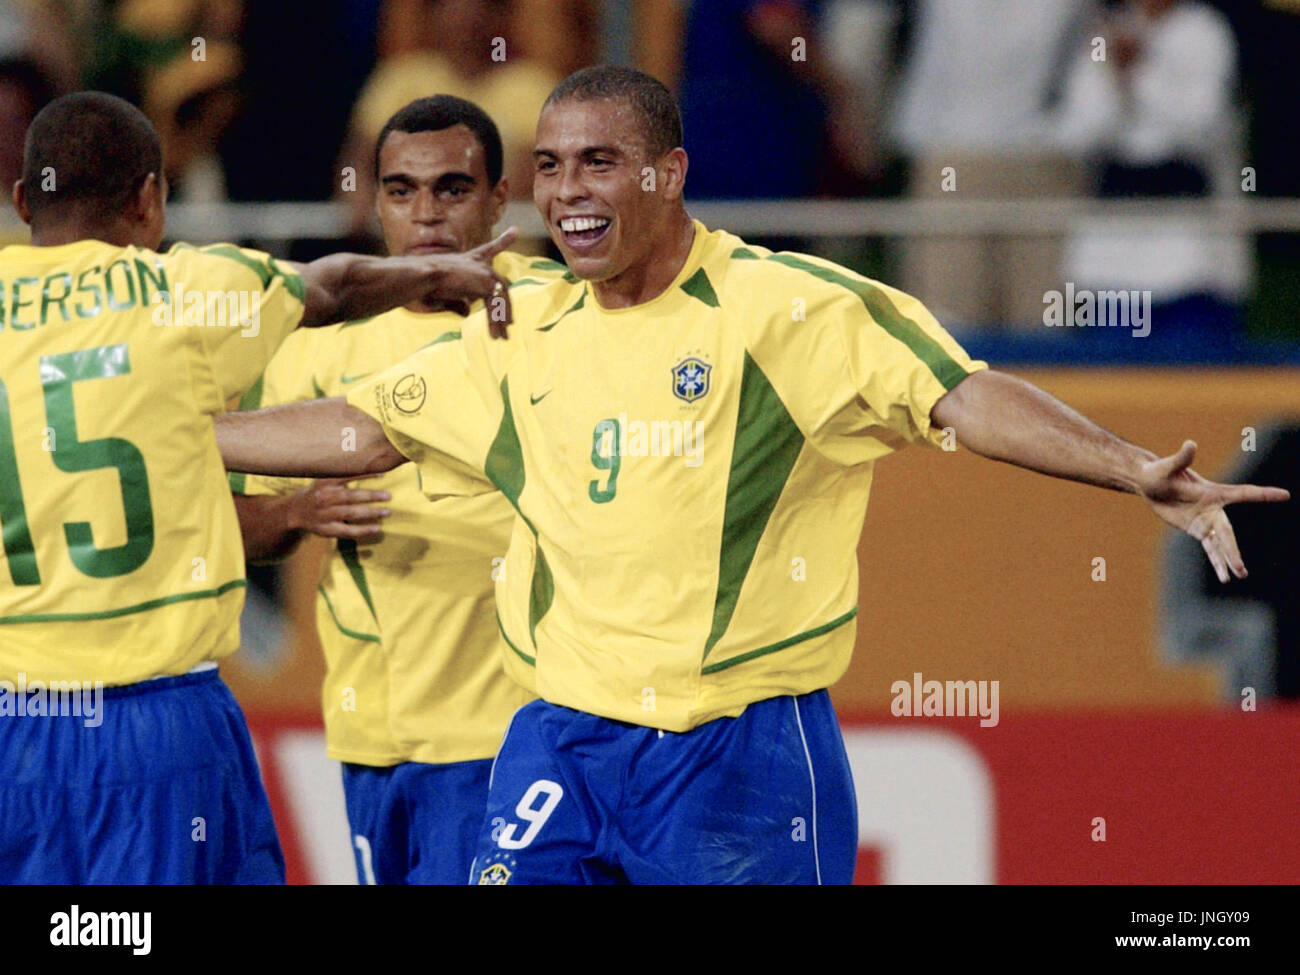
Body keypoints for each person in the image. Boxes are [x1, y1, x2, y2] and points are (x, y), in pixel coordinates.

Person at [214, 67, 1289, 885]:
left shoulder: (792, 311)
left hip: (738, 751)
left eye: (599, 162)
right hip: (561, 737)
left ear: (668, 173)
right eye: (550, 166)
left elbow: (960, 394)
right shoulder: (520, 326)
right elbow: (363, 430)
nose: (568, 192)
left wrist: (1131, 468)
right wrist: (182, 438)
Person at [0, 91, 513, 884]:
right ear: (150, 198)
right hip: (160, 721)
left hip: (19, 727)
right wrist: (432, 271)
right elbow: (332, 287)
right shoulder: (184, 295)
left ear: (24, 199)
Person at [231, 96, 559, 884]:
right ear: (374, 199)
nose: (426, 215)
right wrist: (297, 509)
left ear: (498, 197)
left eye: (452, 188)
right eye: (402, 190)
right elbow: (233, 530)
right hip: (377, 734)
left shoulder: (556, 316)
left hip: (522, 724)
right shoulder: (320, 343)